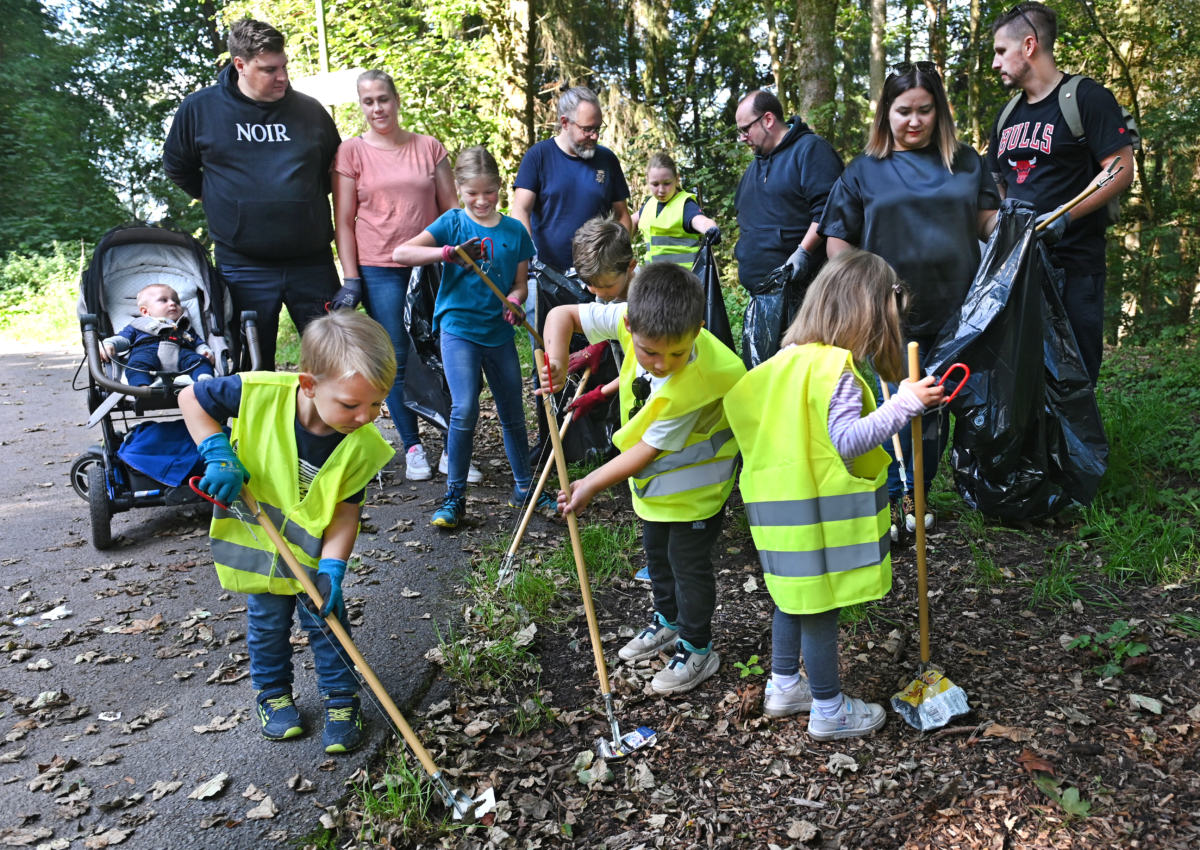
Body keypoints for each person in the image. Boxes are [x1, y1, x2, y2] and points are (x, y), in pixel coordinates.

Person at [724, 250, 945, 740]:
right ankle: (828, 709)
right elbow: (845, 442)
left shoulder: (783, 365)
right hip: (815, 517)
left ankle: (784, 686)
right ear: (867, 317)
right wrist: (906, 405)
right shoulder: (833, 373)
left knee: (790, 598)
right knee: (820, 607)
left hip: (776, 515)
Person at [178, 311, 396, 753]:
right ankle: (273, 696)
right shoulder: (257, 393)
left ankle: (341, 700)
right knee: (267, 624)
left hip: (314, 549)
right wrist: (217, 453)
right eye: (351, 405)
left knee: (328, 622)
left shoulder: (364, 444)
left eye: (377, 404)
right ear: (309, 385)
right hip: (257, 541)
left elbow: (345, 513)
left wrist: (334, 568)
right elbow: (190, 399)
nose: (365, 417)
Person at [540, 263, 747, 694]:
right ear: (629, 323)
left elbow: (645, 450)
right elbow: (563, 316)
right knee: (657, 556)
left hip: (697, 493)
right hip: (657, 488)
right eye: (650, 352)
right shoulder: (629, 318)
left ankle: (698, 647)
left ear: (698, 327)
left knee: (688, 567)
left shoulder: (700, 381)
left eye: (677, 353)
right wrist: (557, 362)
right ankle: (667, 623)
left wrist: (590, 484)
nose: (663, 364)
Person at [819, 63, 1001, 539]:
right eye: (904, 111)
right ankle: (896, 500)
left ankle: (921, 494)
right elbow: (837, 239)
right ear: (886, 113)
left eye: (925, 110)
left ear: (940, 112)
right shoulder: (864, 170)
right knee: (899, 406)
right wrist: (860, 291)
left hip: (959, 312)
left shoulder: (965, 162)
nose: (915, 121)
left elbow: (986, 223)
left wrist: (1016, 227)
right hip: (890, 315)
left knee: (938, 407)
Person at [164, 19, 341, 371]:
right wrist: (222, 201)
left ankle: (323, 427)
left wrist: (297, 205)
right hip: (242, 265)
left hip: (312, 262)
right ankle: (255, 428)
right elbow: (178, 167)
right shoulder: (200, 110)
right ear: (240, 65)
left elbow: (333, 173)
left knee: (331, 362)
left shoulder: (310, 111)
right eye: (269, 69)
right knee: (250, 368)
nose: (282, 77)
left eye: (284, 66)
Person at [392, 146, 553, 528]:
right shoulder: (452, 223)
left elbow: (519, 284)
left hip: (498, 334)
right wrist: (447, 253)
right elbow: (402, 253)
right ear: (460, 188)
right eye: (472, 193)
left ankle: (524, 488)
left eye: (490, 192)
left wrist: (514, 300)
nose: (481, 201)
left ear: (500, 186)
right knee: (463, 408)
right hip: (458, 329)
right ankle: (454, 497)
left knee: (513, 411)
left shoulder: (515, 231)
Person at [988, 2, 1135, 384]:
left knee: (1074, 381)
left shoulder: (1086, 98)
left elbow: (1119, 171)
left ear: (1029, 46)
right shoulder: (1006, 117)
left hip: (1075, 269)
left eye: (1001, 51)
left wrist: (1065, 217)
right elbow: (999, 183)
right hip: (1021, 273)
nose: (995, 62)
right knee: (1022, 382)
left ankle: (1077, 448)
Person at [332, 68, 463, 485]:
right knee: (397, 360)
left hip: (430, 266)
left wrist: (463, 258)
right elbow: (344, 220)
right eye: (368, 102)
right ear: (361, 106)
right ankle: (412, 446)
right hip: (379, 269)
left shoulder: (428, 148)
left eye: (383, 99)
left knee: (443, 354)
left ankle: (450, 446)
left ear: (396, 99)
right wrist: (351, 278)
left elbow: (452, 212)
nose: (377, 108)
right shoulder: (351, 152)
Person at [512, 86, 632, 465]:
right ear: (564, 123)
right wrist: (528, 257)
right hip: (548, 278)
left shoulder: (606, 161)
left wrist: (618, 254)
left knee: (601, 357)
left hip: (598, 280)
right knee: (550, 360)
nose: (594, 135)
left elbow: (622, 215)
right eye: (587, 129)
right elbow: (520, 210)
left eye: (598, 128)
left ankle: (603, 441)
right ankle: (553, 445)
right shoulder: (539, 157)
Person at [732, 90, 844, 366]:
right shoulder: (754, 166)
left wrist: (802, 252)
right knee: (767, 384)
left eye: (745, 129)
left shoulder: (811, 150)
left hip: (802, 296)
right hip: (762, 300)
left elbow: (830, 209)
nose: (743, 137)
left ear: (767, 119)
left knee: (802, 377)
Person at [100, 284, 215, 387]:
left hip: (182, 353)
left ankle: (204, 381)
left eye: (177, 301)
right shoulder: (139, 324)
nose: (172, 303)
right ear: (145, 312)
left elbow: (198, 343)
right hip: (147, 352)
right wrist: (110, 344)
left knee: (199, 360)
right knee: (136, 366)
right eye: (164, 300)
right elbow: (123, 339)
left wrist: (205, 352)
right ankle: (143, 388)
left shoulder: (184, 326)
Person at [630, 152, 721, 267]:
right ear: (647, 180)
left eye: (667, 183)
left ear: (677, 179)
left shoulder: (685, 204)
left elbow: (702, 221)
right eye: (655, 184)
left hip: (684, 280)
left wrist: (711, 228)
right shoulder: (649, 204)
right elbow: (631, 221)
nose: (661, 190)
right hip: (653, 279)